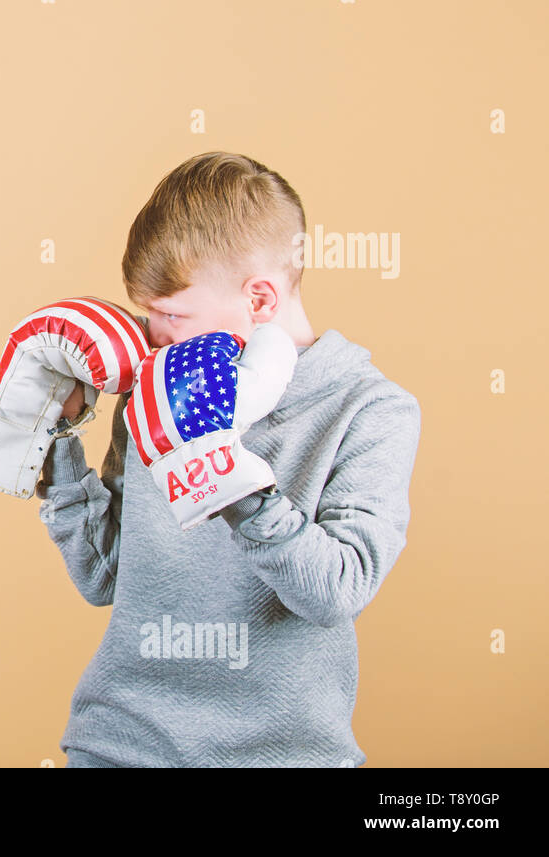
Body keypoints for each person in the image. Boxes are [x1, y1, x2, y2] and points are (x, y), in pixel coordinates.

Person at [38, 151, 421, 767]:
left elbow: (337, 589)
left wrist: (227, 478)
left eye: (171, 316)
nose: (151, 336)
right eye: (147, 313)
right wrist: (56, 438)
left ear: (261, 299)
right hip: (121, 744)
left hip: (282, 757)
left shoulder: (370, 409)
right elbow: (104, 578)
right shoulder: (156, 390)